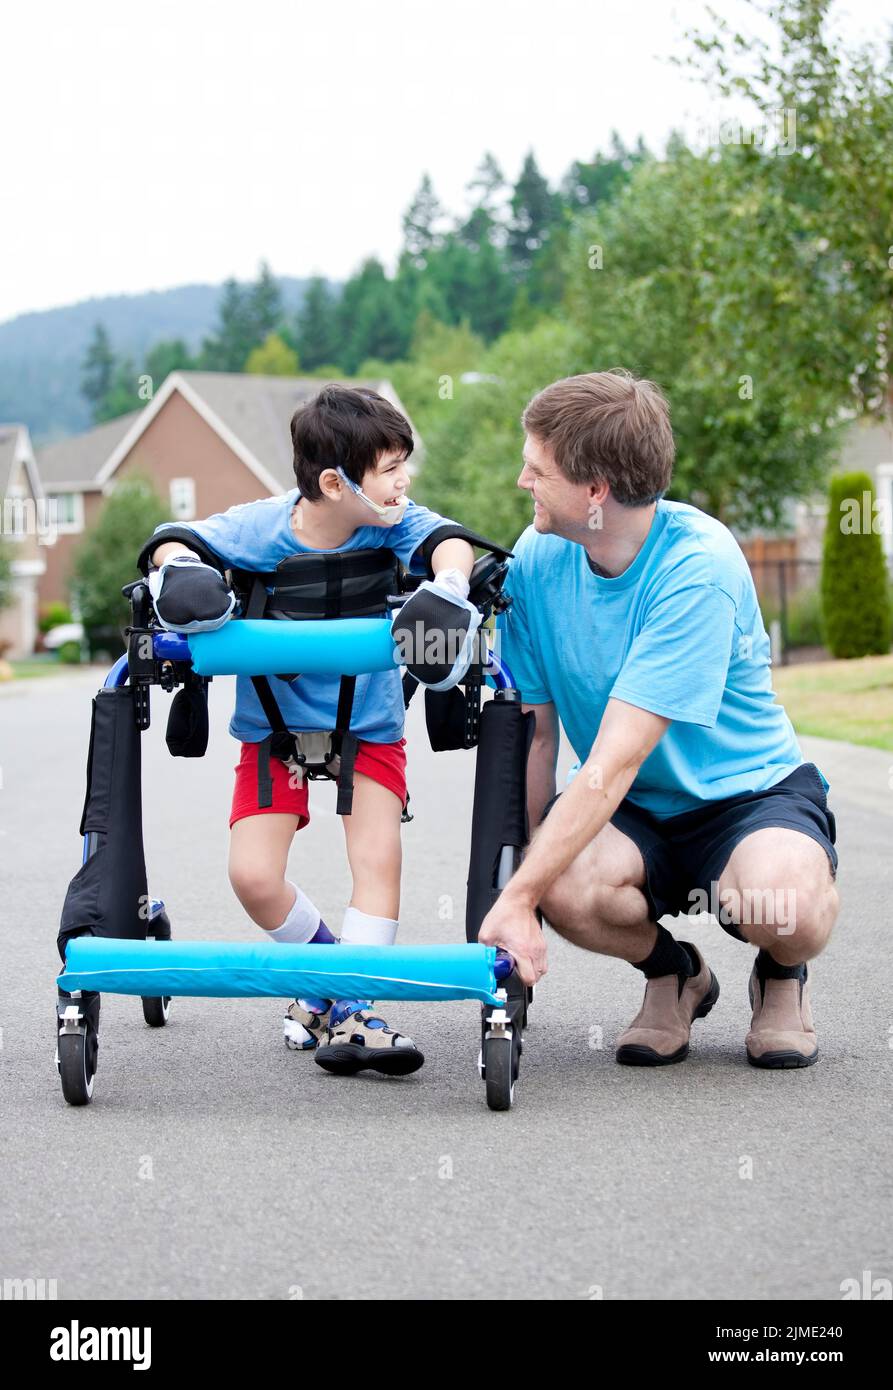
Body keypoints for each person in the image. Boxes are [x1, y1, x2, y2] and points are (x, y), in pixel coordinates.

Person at [479, 369, 839, 1069]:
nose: (522, 481)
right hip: (635, 809)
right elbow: (536, 735)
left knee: (782, 907)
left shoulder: (696, 570)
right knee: (556, 876)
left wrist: (515, 896)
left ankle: (779, 972)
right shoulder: (536, 558)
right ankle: (674, 972)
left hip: (746, 798)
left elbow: (612, 760)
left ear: (594, 492)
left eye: (536, 468)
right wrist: (519, 885)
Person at [139, 384, 478, 1077]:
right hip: (273, 729)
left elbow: (450, 544)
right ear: (334, 482)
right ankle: (330, 981)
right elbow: (174, 541)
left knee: (376, 862)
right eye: (390, 468)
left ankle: (356, 1011)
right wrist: (176, 570)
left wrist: (446, 590)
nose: (403, 482)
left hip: (370, 726)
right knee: (253, 877)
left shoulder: (396, 523)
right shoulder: (257, 527)